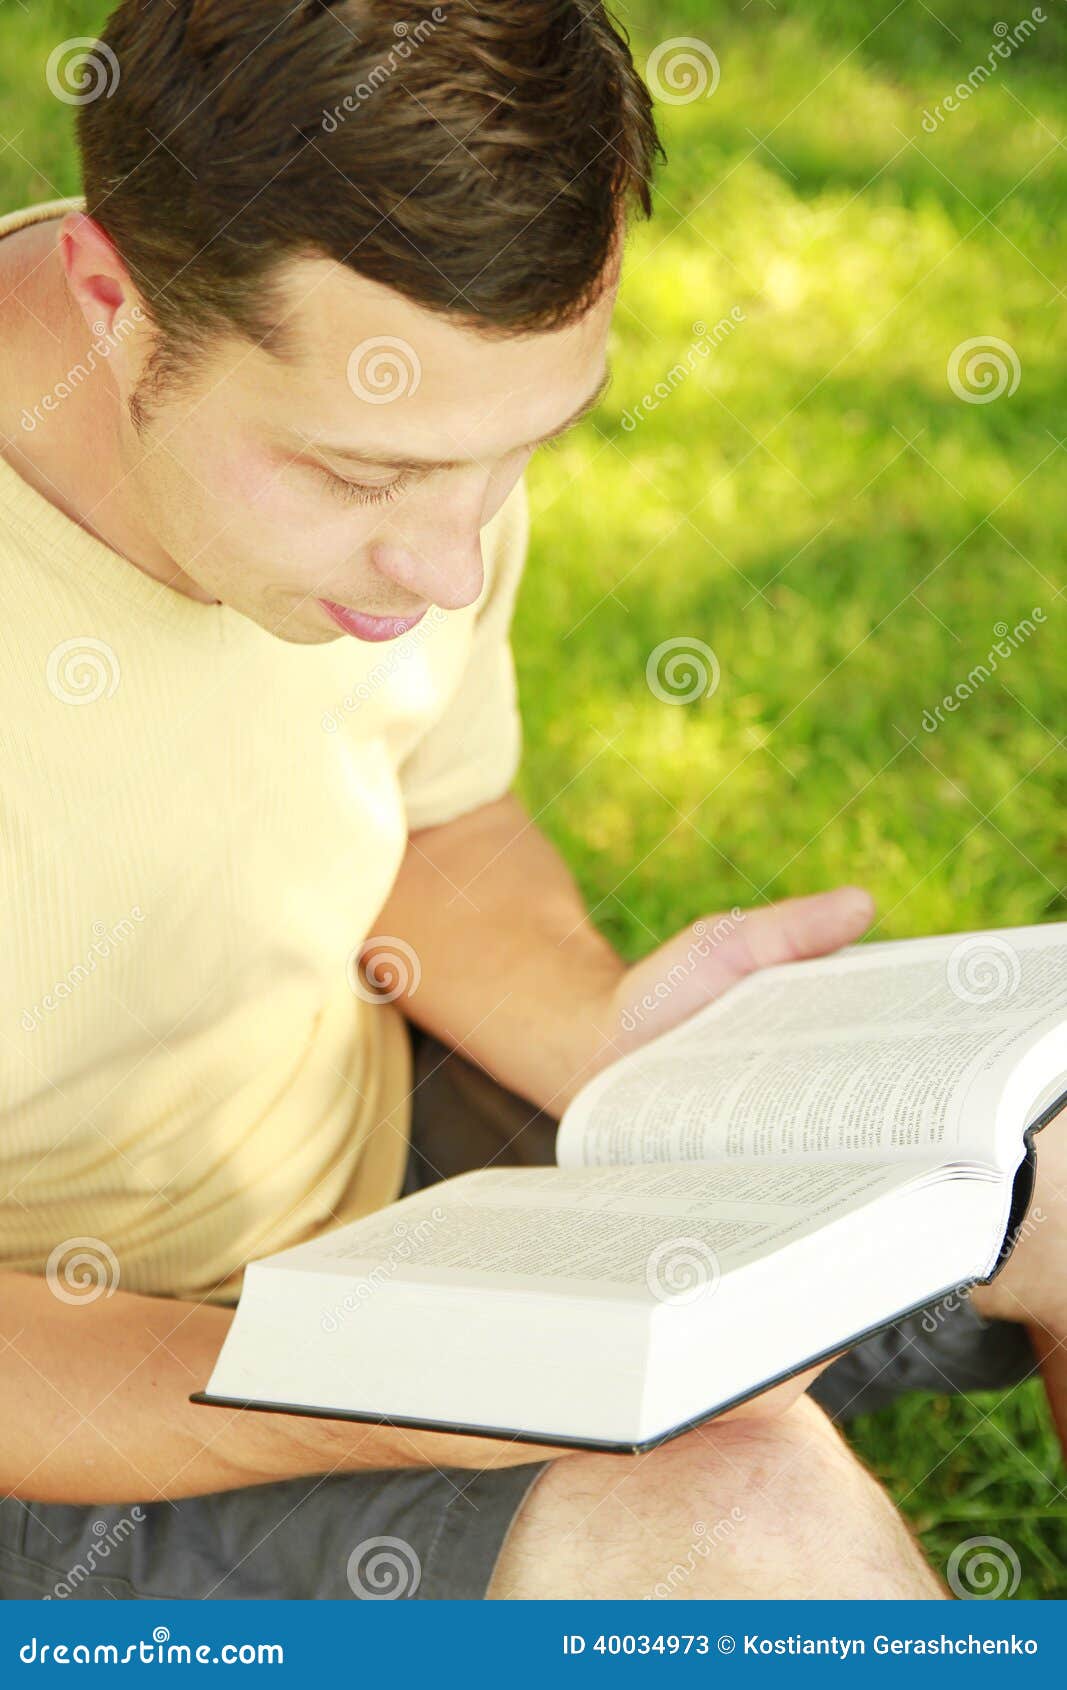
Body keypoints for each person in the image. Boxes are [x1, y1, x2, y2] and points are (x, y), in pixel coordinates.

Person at [0, 0, 1061, 1602]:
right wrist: (360, 1397)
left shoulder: (418, 394)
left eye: (521, 448)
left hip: (382, 1167)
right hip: (81, 1411)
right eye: (359, 474)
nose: (447, 562)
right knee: (753, 1525)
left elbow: (427, 821)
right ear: (113, 303)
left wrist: (613, 1045)